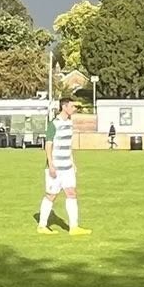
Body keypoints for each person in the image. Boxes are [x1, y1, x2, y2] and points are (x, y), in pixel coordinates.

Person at [37, 94, 88, 235]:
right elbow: (48, 145)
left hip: (68, 167)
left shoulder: (69, 123)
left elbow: (68, 145)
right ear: (64, 107)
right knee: (51, 195)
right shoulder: (54, 124)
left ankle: (74, 227)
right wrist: (51, 165)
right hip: (56, 167)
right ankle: (42, 225)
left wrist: (73, 162)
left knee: (71, 193)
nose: (74, 109)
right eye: (72, 106)